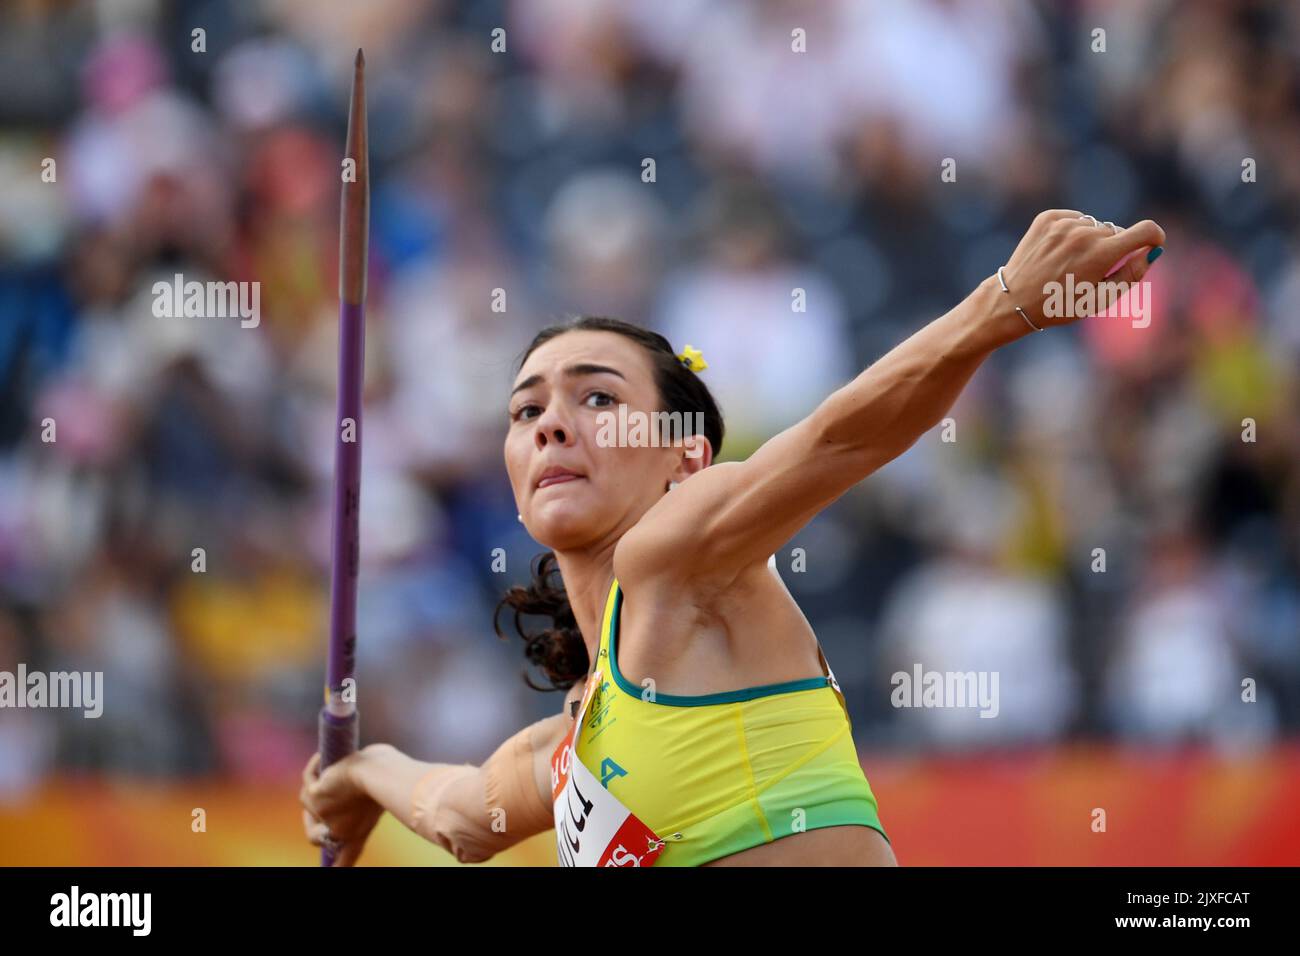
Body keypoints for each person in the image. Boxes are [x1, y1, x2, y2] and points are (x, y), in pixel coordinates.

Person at [300, 210, 1166, 866]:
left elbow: (838, 440)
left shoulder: (673, 559)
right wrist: (360, 772)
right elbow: (460, 814)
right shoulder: (574, 738)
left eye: (597, 397)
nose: (551, 425)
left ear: (686, 456)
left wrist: (1002, 304)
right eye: (527, 410)